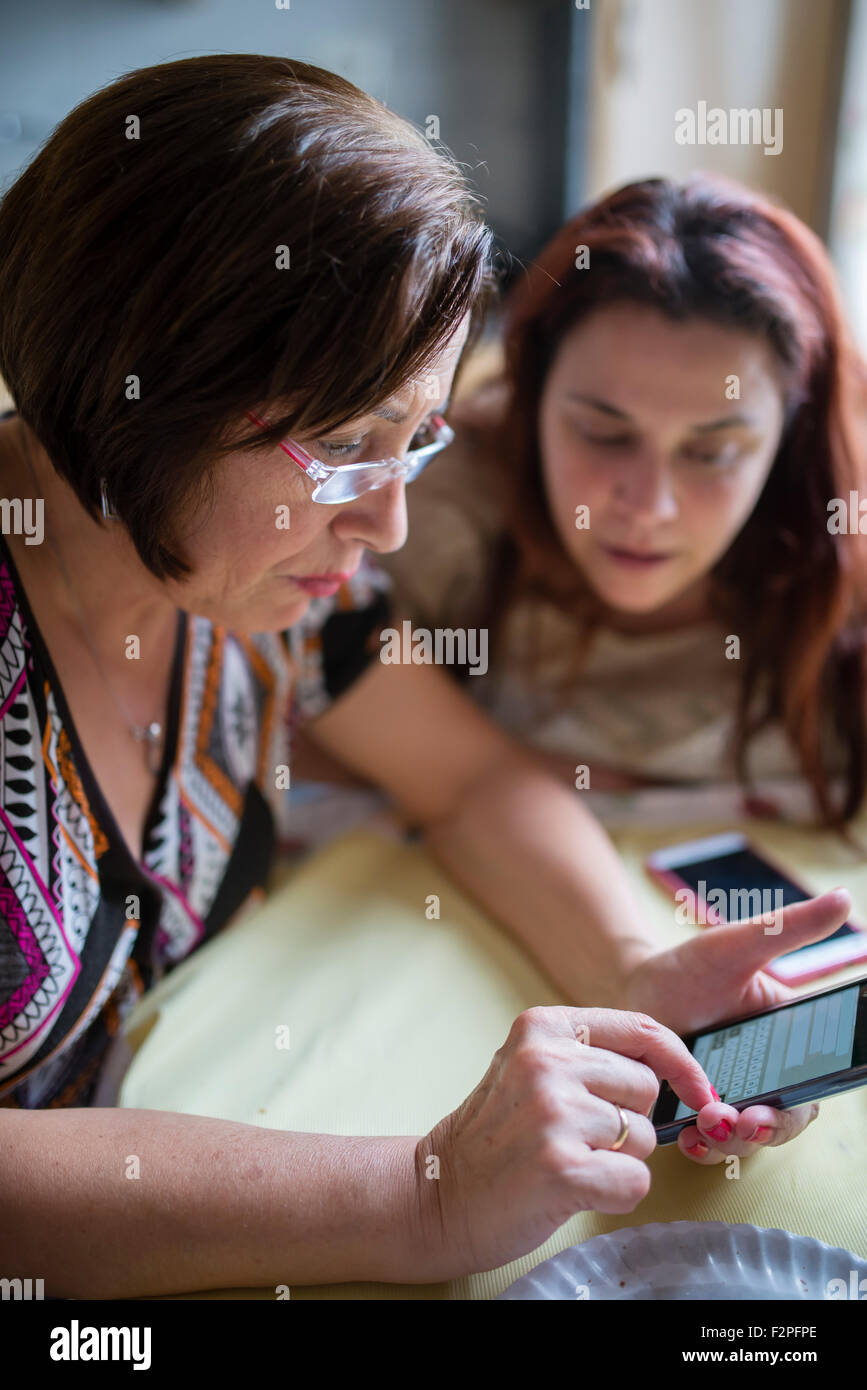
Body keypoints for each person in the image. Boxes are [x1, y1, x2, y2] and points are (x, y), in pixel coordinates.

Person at [0, 63, 848, 1297]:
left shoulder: (268, 590)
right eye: (345, 449)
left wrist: (629, 965)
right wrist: (422, 1191)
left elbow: (464, 780)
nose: (390, 525)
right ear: (137, 393)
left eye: (418, 437)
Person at [383, 174, 867, 824]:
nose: (648, 507)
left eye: (712, 453)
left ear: (788, 439)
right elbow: (297, 722)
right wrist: (509, 777)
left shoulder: (842, 549)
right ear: (527, 401)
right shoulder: (434, 507)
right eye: (604, 435)